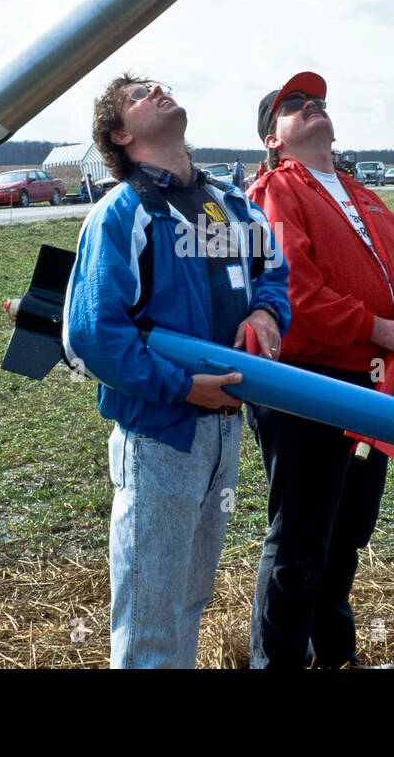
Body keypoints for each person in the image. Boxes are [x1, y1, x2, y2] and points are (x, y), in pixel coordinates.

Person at [64, 73, 290, 669]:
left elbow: (272, 272)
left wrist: (267, 314)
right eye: (139, 95)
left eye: (158, 85)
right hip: (161, 438)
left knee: (188, 600)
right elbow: (90, 337)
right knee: (149, 619)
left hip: (223, 433)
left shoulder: (224, 202)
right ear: (120, 133)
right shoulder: (124, 212)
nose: (157, 91)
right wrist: (184, 386)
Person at [247, 71, 394, 668]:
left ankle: (334, 656)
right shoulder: (277, 190)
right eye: (294, 105)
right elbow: (294, 291)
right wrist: (376, 329)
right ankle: (276, 661)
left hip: (375, 385)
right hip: (309, 383)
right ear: (272, 137)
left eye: (319, 102)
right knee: (301, 537)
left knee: (347, 535)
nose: (313, 107)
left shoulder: (363, 195)